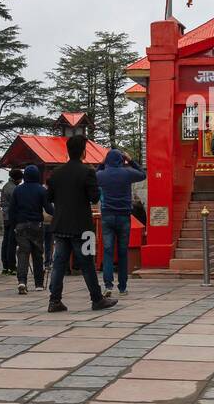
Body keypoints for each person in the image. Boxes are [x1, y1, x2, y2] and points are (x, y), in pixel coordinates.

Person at [46, 134, 117, 313]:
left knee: (59, 264)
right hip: (82, 227)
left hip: (61, 225)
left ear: (68, 151)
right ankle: (97, 299)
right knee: (87, 264)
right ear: (83, 152)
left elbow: (50, 197)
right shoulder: (88, 172)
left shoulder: (56, 173)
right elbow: (94, 198)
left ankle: (54, 300)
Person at [96, 149, 146, 296]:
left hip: (107, 216)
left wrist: (102, 164)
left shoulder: (101, 175)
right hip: (124, 216)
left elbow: (92, 176)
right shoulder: (127, 173)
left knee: (108, 250)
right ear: (121, 160)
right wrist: (130, 161)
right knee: (123, 251)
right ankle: (122, 286)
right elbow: (143, 174)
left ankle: (108, 285)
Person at [8, 164, 52, 294]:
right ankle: (39, 283)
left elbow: (12, 210)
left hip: (21, 225)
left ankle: (22, 281)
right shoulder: (41, 190)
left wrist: (13, 225)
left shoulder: (18, 190)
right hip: (37, 225)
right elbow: (48, 208)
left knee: (23, 253)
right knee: (37, 253)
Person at [0, 168, 23, 275]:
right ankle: (11, 266)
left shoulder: (6, 186)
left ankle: (5, 266)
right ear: (17, 178)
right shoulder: (14, 189)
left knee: (6, 242)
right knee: (11, 242)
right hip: (12, 217)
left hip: (5, 216)